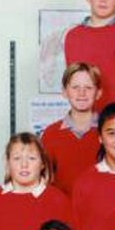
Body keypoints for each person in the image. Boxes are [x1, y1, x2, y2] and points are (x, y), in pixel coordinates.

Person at [42, 62, 102, 194]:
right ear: (65, 92)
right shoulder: (51, 134)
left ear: (98, 93)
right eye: (75, 87)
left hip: (102, 204)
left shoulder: (110, 132)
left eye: (88, 87)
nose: (82, 93)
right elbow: (44, 180)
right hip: (61, 205)